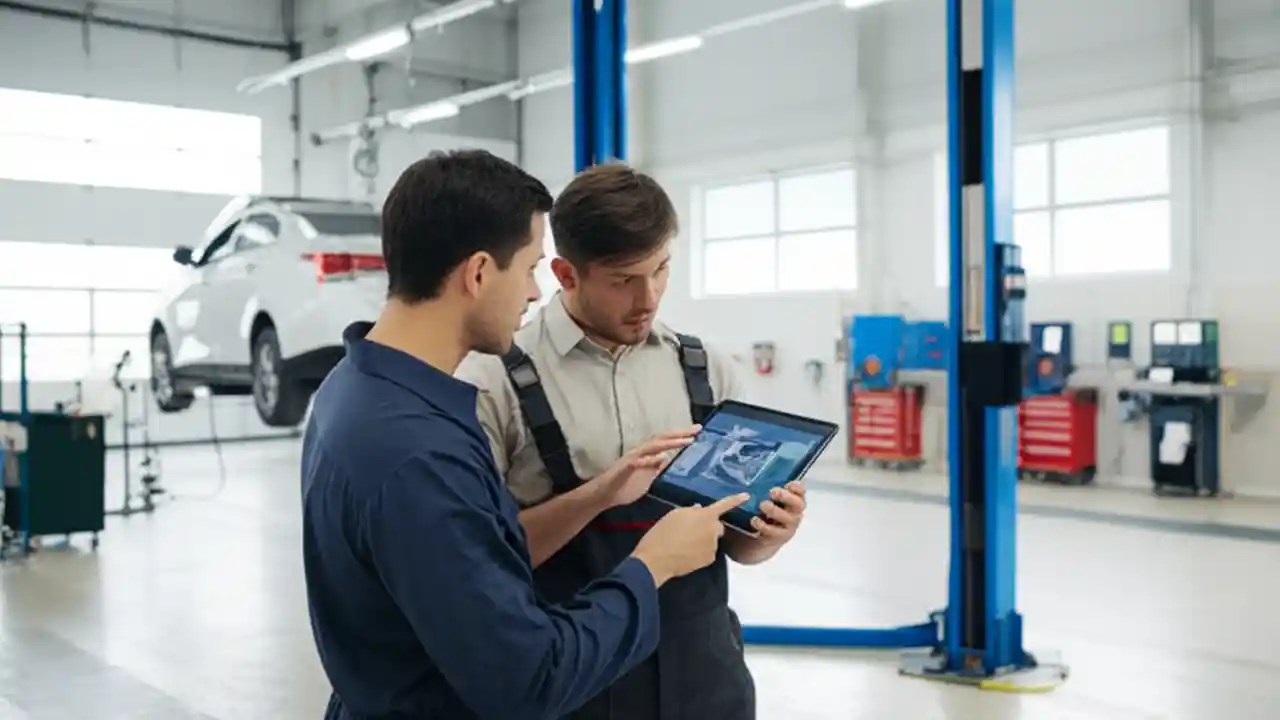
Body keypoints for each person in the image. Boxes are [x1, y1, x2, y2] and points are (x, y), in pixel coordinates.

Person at [300, 149, 749, 720]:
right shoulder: (419, 450)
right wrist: (652, 564)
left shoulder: (353, 389)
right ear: (480, 273)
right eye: (531, 268)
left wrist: (605, 492)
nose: (536, 293)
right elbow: (531, 680)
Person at [456, 162, 809, 719]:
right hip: (574, 685)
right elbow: (482, 562)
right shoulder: (494, 382)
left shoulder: (707, 370)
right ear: (566, 274)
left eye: (661, 269)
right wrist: (600, 493)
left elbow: (741, 545)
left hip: (704, 680)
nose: (649, 298)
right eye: (623, 280)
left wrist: (772, 531)